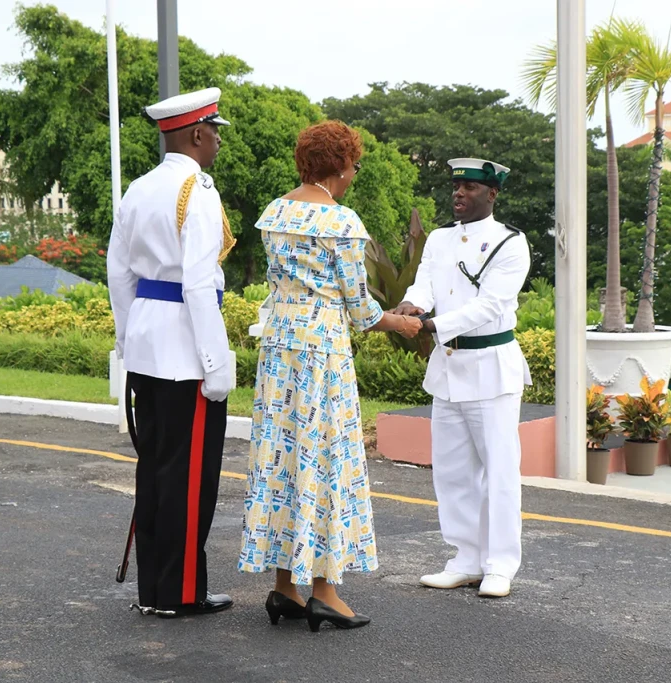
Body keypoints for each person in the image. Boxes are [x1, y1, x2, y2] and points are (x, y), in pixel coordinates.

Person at [237, 120, 423, 632]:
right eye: (355, 164)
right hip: (322, 351)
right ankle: (324, 591)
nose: (355, 173)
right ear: (341, 166)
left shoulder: (275, 214)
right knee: (323, 458)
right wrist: (402, 323)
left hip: (278, 349)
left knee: (283, 458)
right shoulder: (341, 222)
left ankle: (283, 587)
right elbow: (359, 308)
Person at [107, 87, 237, 617]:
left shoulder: (139, 188)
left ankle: (152, 592)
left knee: (156, 469)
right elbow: (200, 286)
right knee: (189, 478)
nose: (218, 144)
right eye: (215, 134)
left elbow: (119, 274)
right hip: (186, 348)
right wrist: (216, 361)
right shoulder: (197, 190)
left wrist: (127, 336)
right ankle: (181, 592)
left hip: (145, 343)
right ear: (197, 134)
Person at [393, 158, 531, 599]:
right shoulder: (438, 238)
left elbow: (491, 306)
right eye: (456, 186)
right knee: (452, 472)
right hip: (449, 369)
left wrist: (432, 326)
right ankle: (466, 558)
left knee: (500, 472)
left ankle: (500, 564)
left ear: (492, 194)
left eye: (470, 187)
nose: (458, 193)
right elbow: (424, 285)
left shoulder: (511, 243)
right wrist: (411, 307)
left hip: (491, 367)